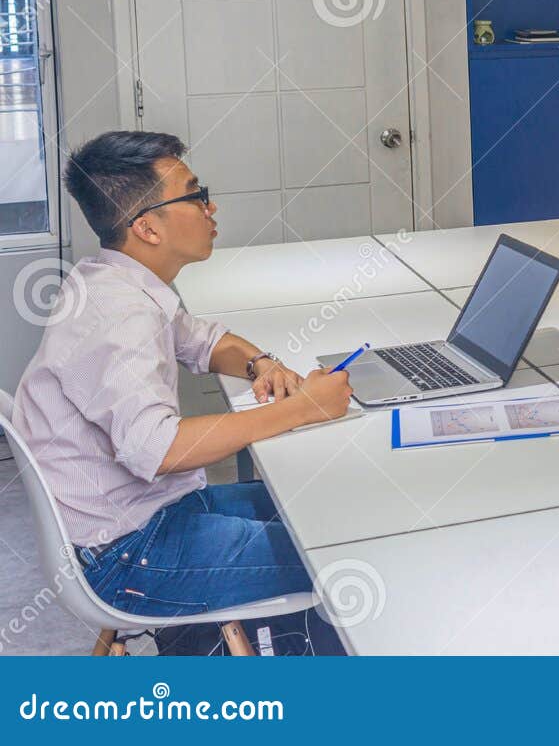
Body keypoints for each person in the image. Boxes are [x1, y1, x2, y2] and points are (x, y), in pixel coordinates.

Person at [10, 131, 352, 651]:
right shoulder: (117, 316)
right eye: (194, 194)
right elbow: (161, 448)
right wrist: (303, 410)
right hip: (129, 553)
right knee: (347, 551)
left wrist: (262, 364)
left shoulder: (114, 280)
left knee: (326, 509)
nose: (210, 206)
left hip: (145, 519)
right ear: (147, 227)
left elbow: (203, 340)